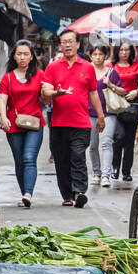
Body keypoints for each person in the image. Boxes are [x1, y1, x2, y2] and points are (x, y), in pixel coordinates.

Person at [41, 29, 106, 208]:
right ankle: (67, 195)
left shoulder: (87, 67)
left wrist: (100, 116)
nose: (68, 45)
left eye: (71, 41)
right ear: (60, 45)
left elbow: (93, 93)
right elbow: (45, 92)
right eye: (64, 42)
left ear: (78, 44)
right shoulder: (53, 67)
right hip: (59, 123)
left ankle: (79, 192)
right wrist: (56, 93)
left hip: (81, 123)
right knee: (61, 159)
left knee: (78, 156)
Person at [0, 40, 44, 208]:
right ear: (14, 56)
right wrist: (3, 118)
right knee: (19, 161)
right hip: (14, 123)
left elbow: (45, 96)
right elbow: (2, 100)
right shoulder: (7, 78)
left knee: (29, 158)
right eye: (19, 54)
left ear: (32, 56)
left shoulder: (40, 75)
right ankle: (24, 193)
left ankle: (28, 194)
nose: (22, 57)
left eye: (26, 54)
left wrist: (53, 93)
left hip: (35, 123)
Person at [109, 39, 138, 185]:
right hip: (115, 106)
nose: (124, 53)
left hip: (132, 106)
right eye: (121, 50)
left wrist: (136, 91)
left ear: (131, 51)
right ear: (117, 52)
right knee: (119, 137)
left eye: (127, 50)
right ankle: (115, 167)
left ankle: (126, 172)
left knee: (130, 141)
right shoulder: (112, 67)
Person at [87, 44, 115, 187]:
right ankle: (96, 173)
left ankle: (106, 175)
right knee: (93, 145)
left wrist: (110, 84)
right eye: (95, 54)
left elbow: (123, 91)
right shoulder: (86, 71)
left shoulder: (111, 72)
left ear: (105, 56)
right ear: (90, 56)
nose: (97, 57)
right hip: (89, 113)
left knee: (106, 143)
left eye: (100, 54)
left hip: (108, 113)